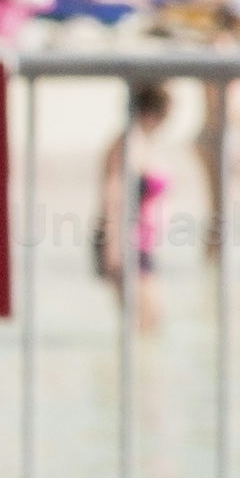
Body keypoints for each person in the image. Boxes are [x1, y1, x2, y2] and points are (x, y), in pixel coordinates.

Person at [93, 83, 180, 331]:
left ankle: (142, 370)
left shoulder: (141, 142)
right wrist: (113, 246)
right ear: (152, 113)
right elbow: (112, 196)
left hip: (141, 242)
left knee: (149, 322)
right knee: (143, 321)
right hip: (124, 241)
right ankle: (132, 369)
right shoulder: (125, 146)